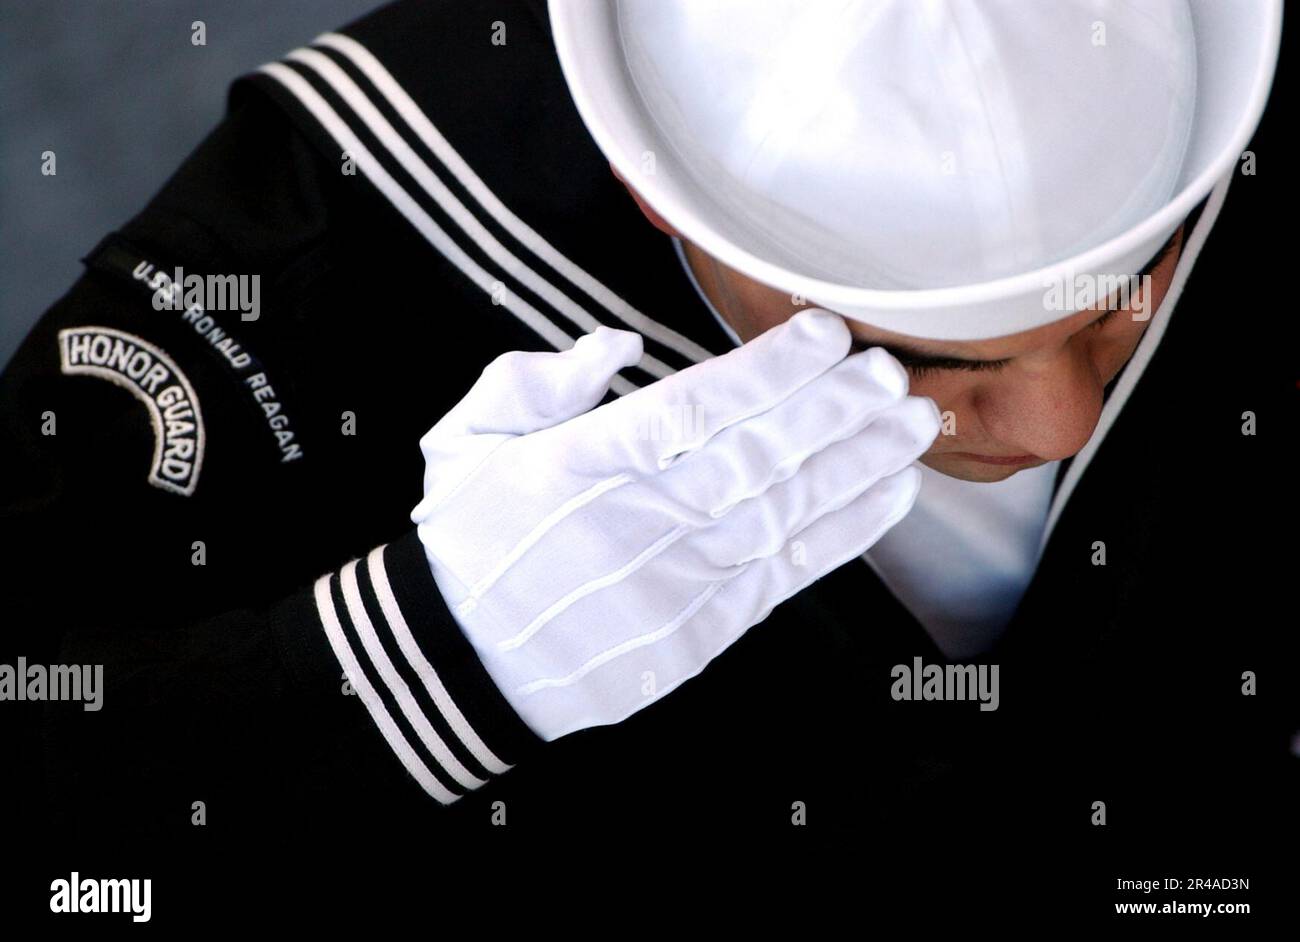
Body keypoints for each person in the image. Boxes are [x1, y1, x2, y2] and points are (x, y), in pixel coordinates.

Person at [0, 0, 1289, 877]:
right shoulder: (321, 238)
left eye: (1131, 292)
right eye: (940, 359)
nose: (1064, 420)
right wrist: (431, 655)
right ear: (650, 192)